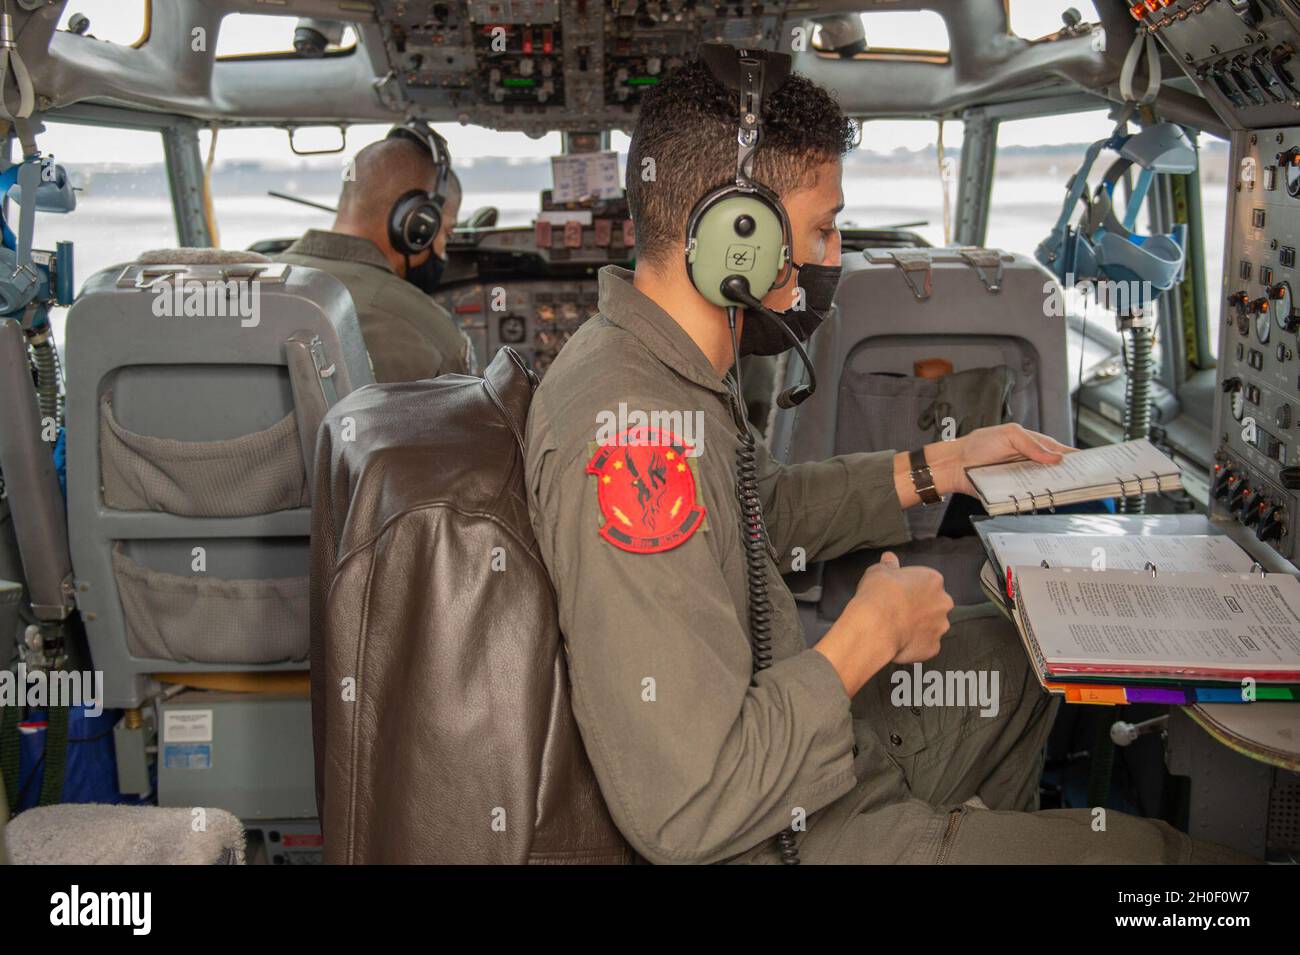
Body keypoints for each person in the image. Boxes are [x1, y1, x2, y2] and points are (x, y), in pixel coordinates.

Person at [523, 50, 1248, 864]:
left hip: (804, 744)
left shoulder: (667, 371)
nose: (833, 259)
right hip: (789, 831)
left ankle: (966, 830)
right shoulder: (635, 438)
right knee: (1179, 868)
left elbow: (773, 508)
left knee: (1016, 657)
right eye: (822, 229)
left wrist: (944, 462)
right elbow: (691, 804)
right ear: (737, 234)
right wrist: (867, 634)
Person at [277, 125, 472, 381]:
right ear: (418, 226)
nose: (444, 249)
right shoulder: (430, 331)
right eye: (447, 232)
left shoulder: (242, 290)